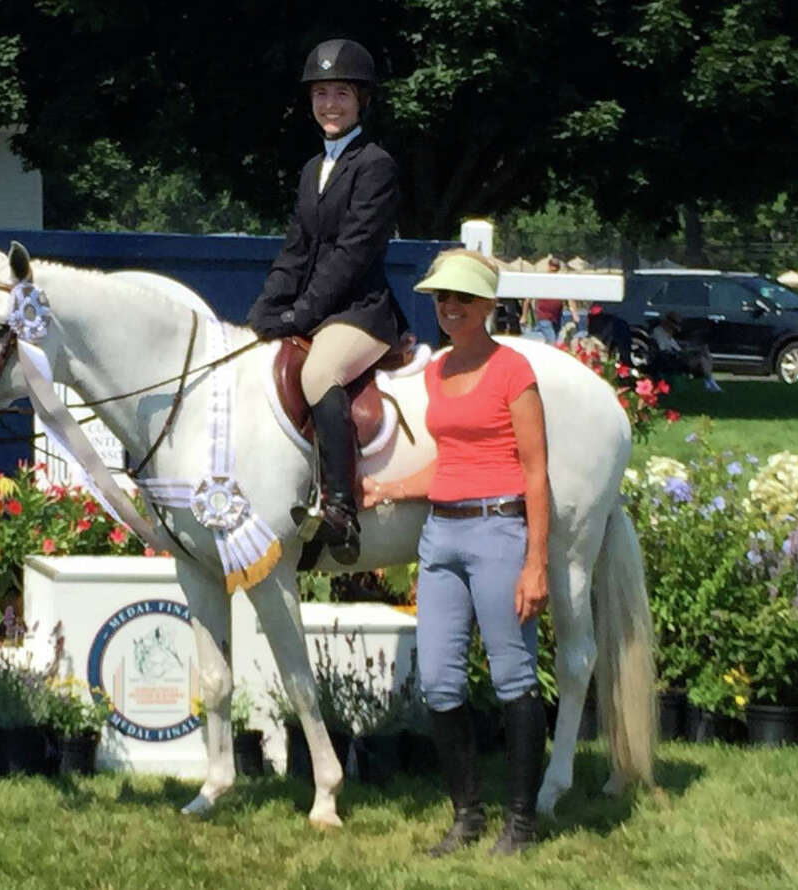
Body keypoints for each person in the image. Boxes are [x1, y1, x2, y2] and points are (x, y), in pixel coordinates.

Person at [362, 249, 550, 856]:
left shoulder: (513, 371)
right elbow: (452, 459)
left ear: (489, 307)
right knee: (440, 682)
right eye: (442, 298)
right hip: (440, 537)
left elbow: (535, 471)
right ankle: (467, 817)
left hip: (499, 532)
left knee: (512, 675)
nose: (449, 307)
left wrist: (536, 562)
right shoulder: (438, 370)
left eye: (462, 298)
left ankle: (520, 823)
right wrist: (390, 487)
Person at [246, 38, 408, 564]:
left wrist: (302, 313)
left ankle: (341, 508)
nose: (330, 104)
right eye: (321, 93)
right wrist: (266, 310)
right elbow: (298, 248)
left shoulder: (375, 165)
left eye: (340, 93)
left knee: (318, 375)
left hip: (361, 312)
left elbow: (353, 254)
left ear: (361, 99)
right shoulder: (313, 168)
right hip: (320, 306)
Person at [651, 311, 721, 392]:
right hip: (672, 361)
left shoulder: (668, 334)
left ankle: (709, 381)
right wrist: (683, 352)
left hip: (678, 357)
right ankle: (710, 382)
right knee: (701, 360)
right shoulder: (658, 333)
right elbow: (664, 350)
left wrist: (687, 350)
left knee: (705, 352)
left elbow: (676, 348)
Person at [521, 258, 564, 342]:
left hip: (557, 317)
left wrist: (573, 311)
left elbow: (569, 297)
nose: (554, 268)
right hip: (544, 315)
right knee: (552, 340)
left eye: (556, 266)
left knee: (553, 339)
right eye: (552, 266)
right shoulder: (541, 280)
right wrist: (524, 316)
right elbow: (528, 299)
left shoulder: (560, 281)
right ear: (548, 266)